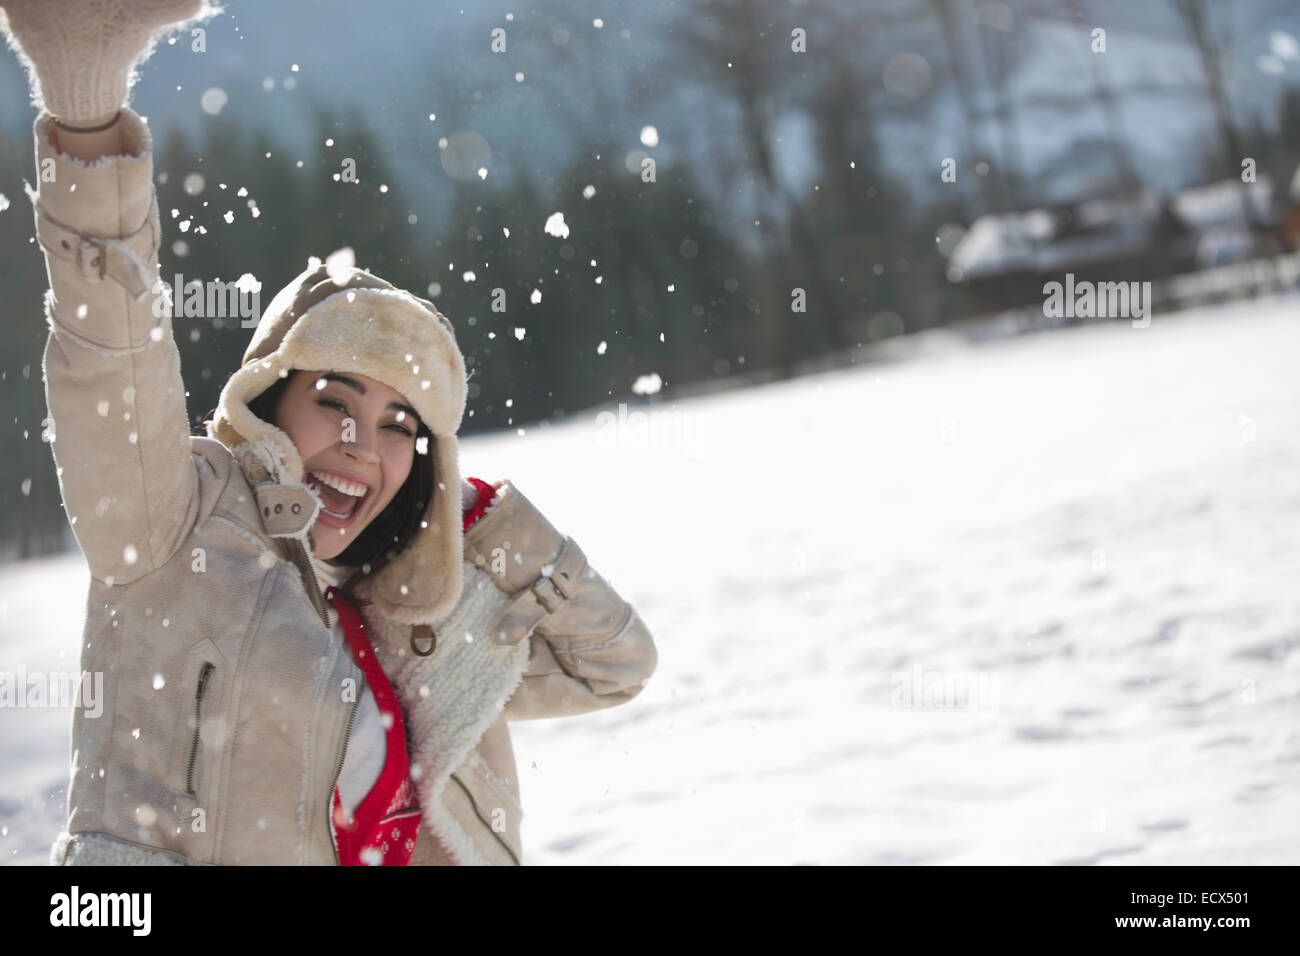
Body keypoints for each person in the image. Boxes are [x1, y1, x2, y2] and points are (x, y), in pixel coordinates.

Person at [0, 0, 657, 865]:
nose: (361, 443)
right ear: (269, 402)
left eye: (398, 426)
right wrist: (85, 109)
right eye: (335, 401)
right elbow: (110, 349)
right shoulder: (174, 529)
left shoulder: (418, 621)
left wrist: (485, 532)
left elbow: (613, 666)